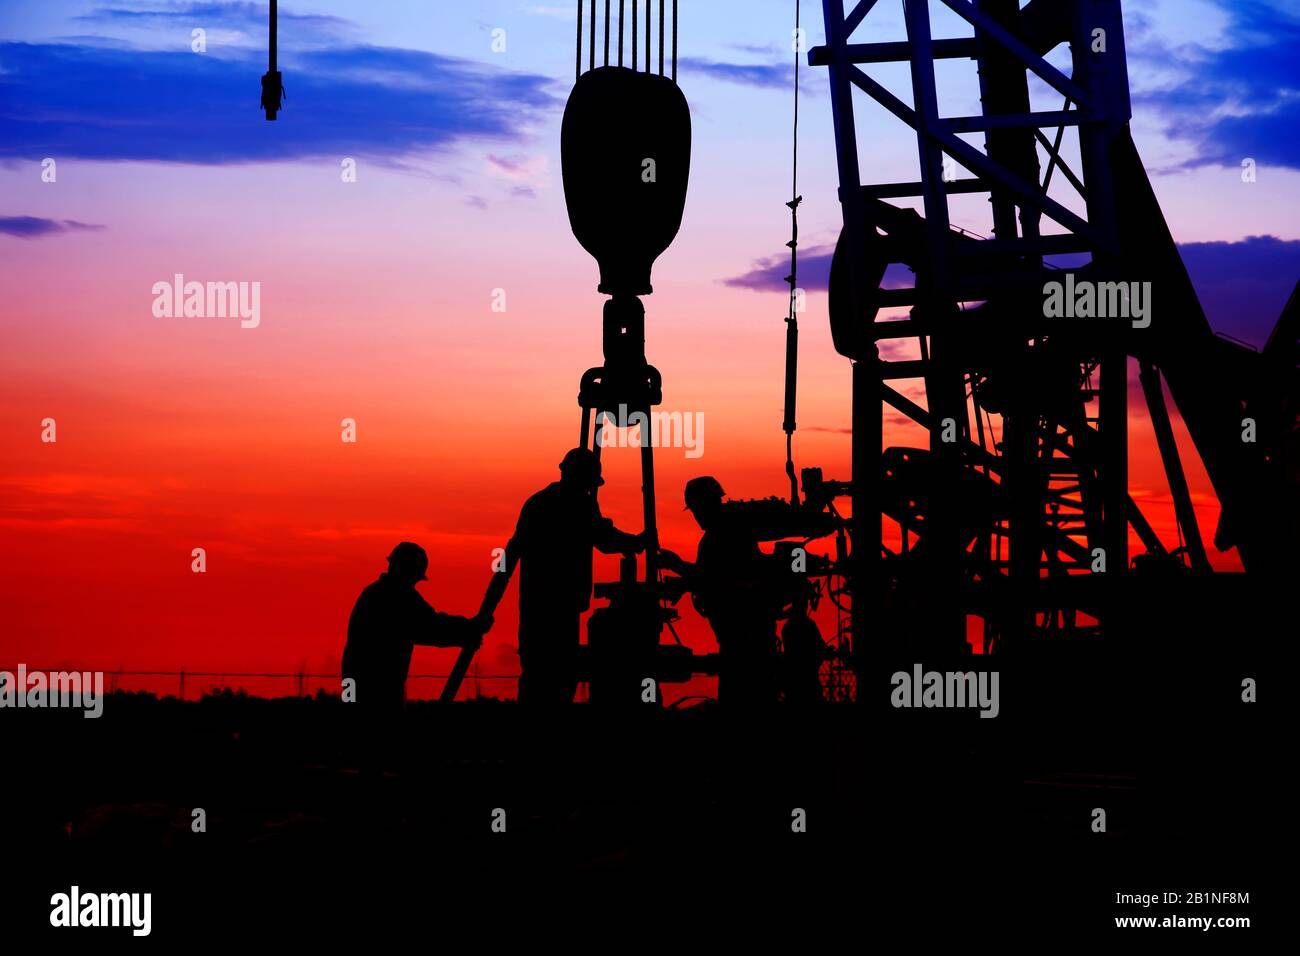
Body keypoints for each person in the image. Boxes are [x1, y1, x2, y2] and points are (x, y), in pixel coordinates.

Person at [484, 448, 644, 704]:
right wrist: (636, 543)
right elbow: (603, 539)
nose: (590, 489)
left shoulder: (537, 503)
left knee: (538, 677)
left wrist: (488, 606)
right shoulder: (578, 505)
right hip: (558, 611)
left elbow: (509, 557)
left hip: (536, 609)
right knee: (557, 680)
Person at [659, 476, 782, 706]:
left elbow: (716, 579)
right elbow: (714, 576)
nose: (696, 517)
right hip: (748, 631)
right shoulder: (732, 531)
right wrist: (683, 579)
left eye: (696, 510)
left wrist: (678, 569)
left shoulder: (720, 536)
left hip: (742, 634)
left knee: (739, 697)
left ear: (704, 505)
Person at [342, 542, 490, 714]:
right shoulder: (397, 596)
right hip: (376, 690)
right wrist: (470, 629)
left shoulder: (372, 593)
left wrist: (467, 630)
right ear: (409, 572)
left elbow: (427, 626)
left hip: (358, 685)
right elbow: (430, 627)